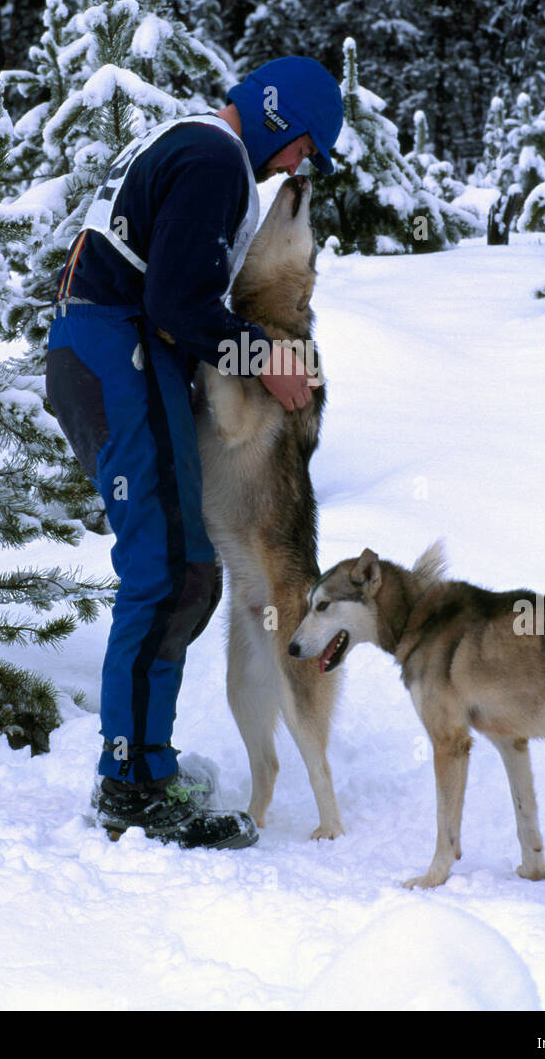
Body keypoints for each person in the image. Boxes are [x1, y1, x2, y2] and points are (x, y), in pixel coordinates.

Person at [45, 56, 344, 849]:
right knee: (168, 570)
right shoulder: (214, 158)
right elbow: (178, 304)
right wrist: (264, 354)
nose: (294, 167)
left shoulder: (197, 146)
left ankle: (147, 763)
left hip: (107, 350)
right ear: (281, 118)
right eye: (301, 148)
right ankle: (133, 786)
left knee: (185, 567)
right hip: (115, 352)